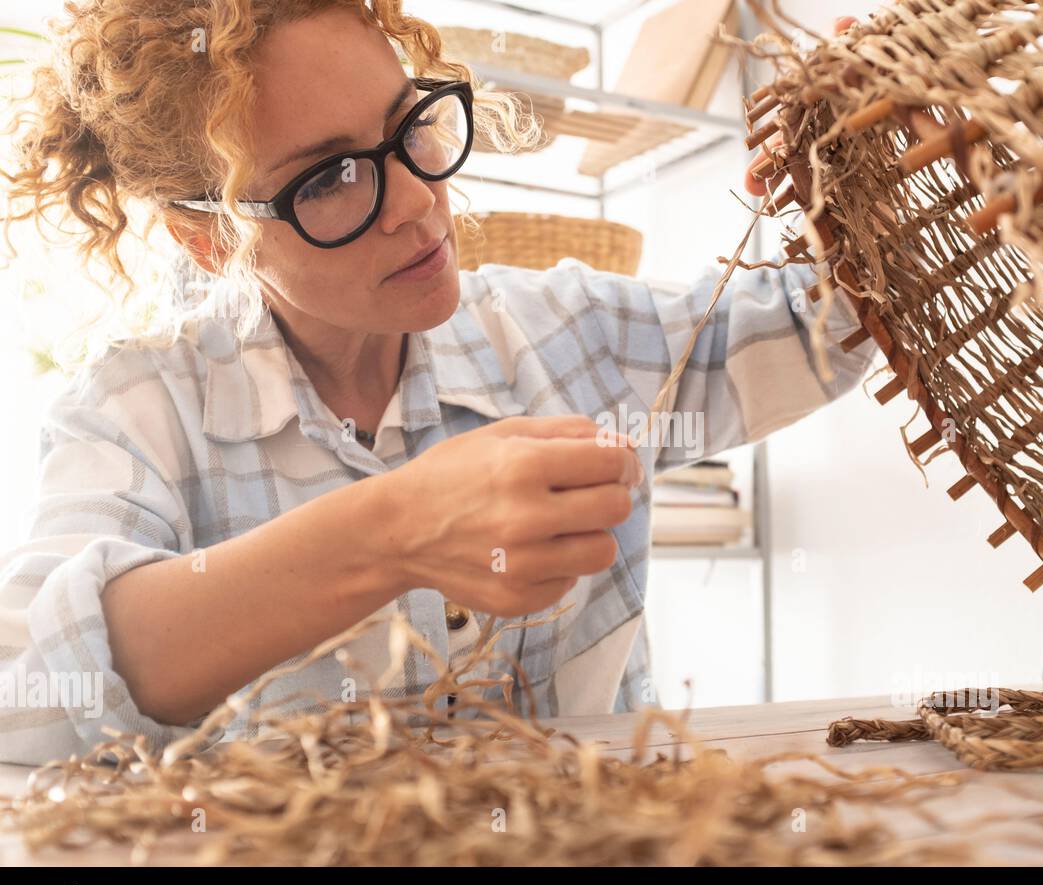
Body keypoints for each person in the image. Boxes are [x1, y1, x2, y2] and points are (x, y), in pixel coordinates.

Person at [0, 1, 874, 764]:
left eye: (409, 126)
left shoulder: (561, 335)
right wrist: (395, 531)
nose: (417, 200)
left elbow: (823, 320)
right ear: (210, 237)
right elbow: (25, 699)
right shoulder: (139, 412)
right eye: (334, 176)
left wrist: (864, 158)